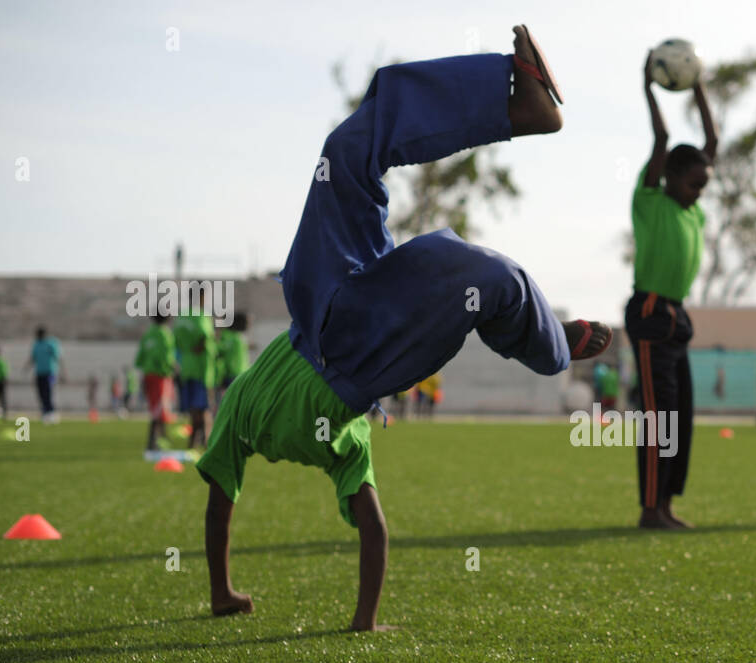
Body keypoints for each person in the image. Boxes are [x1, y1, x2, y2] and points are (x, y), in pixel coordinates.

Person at [195, 27, 610, 630]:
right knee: (476, 273)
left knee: (344, 150)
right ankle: (547, 340)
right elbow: (373, 530)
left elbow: (218, 503)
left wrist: (221, 591)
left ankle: (514, 102)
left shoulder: (236, 409)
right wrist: (364, 620)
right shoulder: (348, 441)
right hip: (361, 355)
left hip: (324, 302)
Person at [626, 46, 717, 529]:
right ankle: (649, 509)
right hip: (650, 311)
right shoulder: (651, 199)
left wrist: (698, 84)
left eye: (704, 185)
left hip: (677, 315)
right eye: (694, 183)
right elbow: (663, 136)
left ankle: (665, 505)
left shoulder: (691, 209)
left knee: (680, 416)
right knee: (657, 416)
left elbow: (712, 140)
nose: (700, 192)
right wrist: (647, 88)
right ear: (670, 178)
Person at [174, 285, 218, 448]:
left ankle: (193, 441)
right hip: (203, 369)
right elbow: (205, 338)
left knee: (193, 408)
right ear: (201, 296)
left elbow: (177, 341)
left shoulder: (181, 317)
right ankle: (207, 441)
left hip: (186, 368)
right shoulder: (202, 316)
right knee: (204, 408)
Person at [134, 309, 178, 451]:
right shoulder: (165, 334)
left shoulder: (148, 335)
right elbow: (167, 357)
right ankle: (153, 442)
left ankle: (161, 440)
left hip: (149, 375)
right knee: (160, 409)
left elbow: (140, 359)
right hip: (161, 376)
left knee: (156, 408)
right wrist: (174, 369)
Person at [25, 326, 63, 423]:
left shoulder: (51, 344)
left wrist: (63, 371)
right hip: (39, 373)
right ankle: (45, 412)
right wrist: (26, 367)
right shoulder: (36, 344)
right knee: (41, 393)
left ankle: (52, 413)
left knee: (49, 392)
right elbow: (33, 357)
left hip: (50, 373)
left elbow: (57, 357)